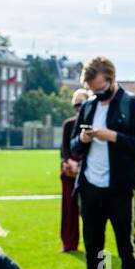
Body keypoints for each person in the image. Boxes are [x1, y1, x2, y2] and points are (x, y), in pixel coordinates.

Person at [64, 55, 135, 269]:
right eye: (92, 88)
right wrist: (82, 138)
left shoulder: (133, 105)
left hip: (119, 188)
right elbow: (74, 146)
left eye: (101, 87)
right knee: (94, 249)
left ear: (112, 79)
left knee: (126, 248)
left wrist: (112, 136)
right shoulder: (89, 106)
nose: (97, 93)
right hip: (90, 187)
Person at [59, 88, 91, 252]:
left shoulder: (93, 126)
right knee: (69, 209)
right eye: (76, 105)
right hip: (69, 170)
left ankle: (92, 244)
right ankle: (69, 243)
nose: (79, 108)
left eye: (82, 104)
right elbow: (64, 148)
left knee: (89, 210)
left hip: (88, 170)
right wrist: (68, 161)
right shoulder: (69, 124)